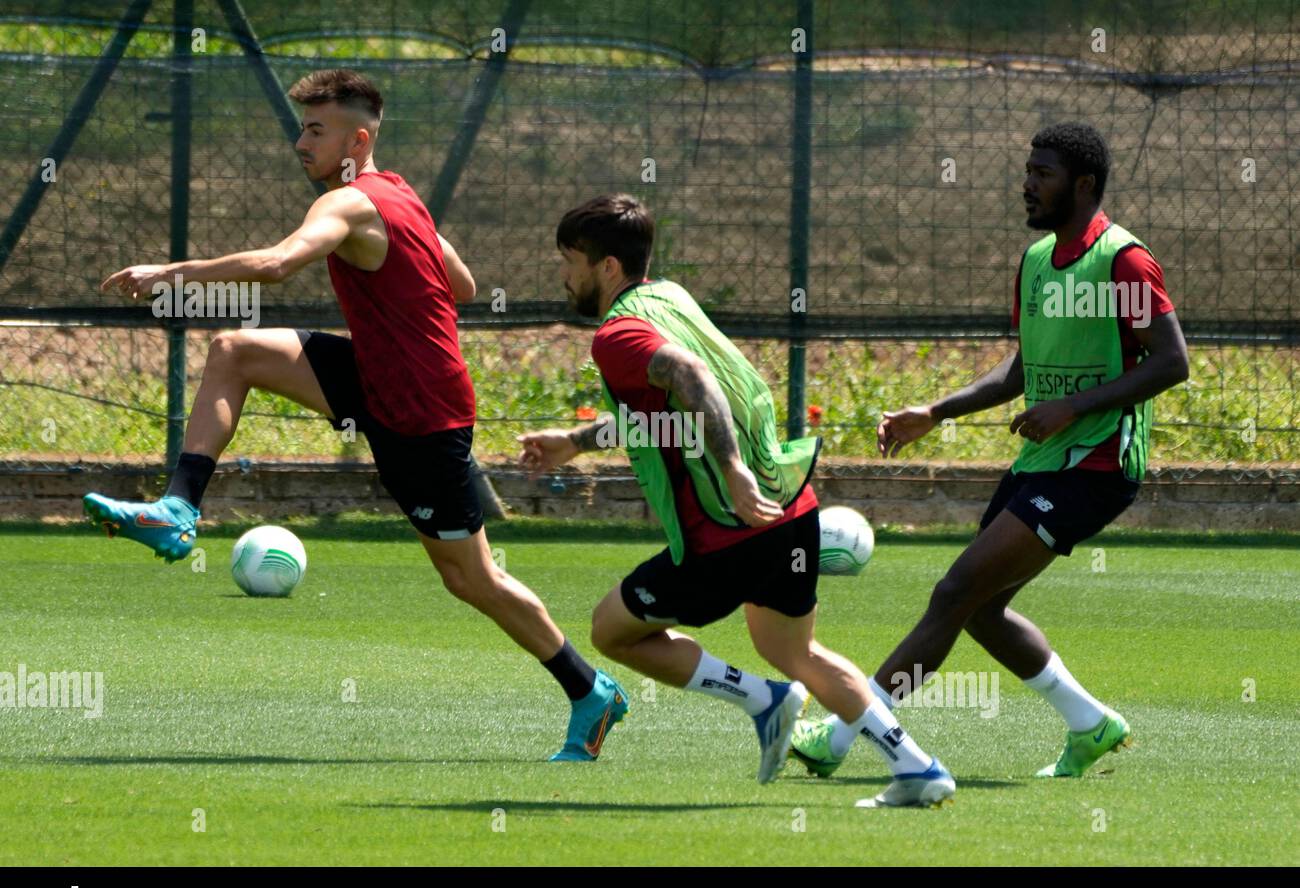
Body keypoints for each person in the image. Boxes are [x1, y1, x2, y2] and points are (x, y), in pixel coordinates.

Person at [84, 69, 626, 762]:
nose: (299, 141)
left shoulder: (349, 203)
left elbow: (278, 265)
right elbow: (458, 283)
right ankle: (179, 510)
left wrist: (170, 274)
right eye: (301, 126)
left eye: (315, 129)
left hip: (422, 416)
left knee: (472, 579)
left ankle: (590, 690)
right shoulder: (397, 194)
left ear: (357, 138)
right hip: (378, 376)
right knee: (235, 350)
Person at [518, 194, 955, 806]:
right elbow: (664, 412)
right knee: (793, 650)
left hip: (729, 532)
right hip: (789, 507)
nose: (563, 276)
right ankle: (918, 768)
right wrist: (575, 440)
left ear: (608, 267)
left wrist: (729, 470)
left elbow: (692, 379)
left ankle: (762, 699)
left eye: (570, 261)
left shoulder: (616, 334)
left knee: (610, 631)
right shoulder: (670, 298)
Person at [792, 121, 1189, 779]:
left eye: (1043, 174)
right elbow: (1020, 372)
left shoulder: (1123, 259)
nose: (1027, 184)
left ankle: (838, 735)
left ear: (1083, 184)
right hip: (1044, 462)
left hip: (1095, 465)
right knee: (979, 611)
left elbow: (1172, 362)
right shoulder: (1037, 263)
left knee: (953, 592)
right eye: (1028, 171)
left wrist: (1075, 406)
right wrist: (934, 412)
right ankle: (1092, 725)